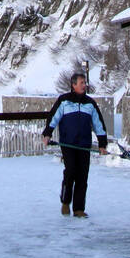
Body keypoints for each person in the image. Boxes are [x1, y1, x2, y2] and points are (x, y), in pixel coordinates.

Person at [42, 73, 108, 216]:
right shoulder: (64, 101)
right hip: (68, 144)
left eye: (85, 82)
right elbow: (53, 117)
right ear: (74, 85)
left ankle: (79, 209)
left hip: (84, 145)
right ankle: (66, 202)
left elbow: (98, 124)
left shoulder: (90, 103)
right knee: (71, 171)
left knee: (82, 176)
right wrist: (47, 134)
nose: (84, 85)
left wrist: (103, 144)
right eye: (82, 83)